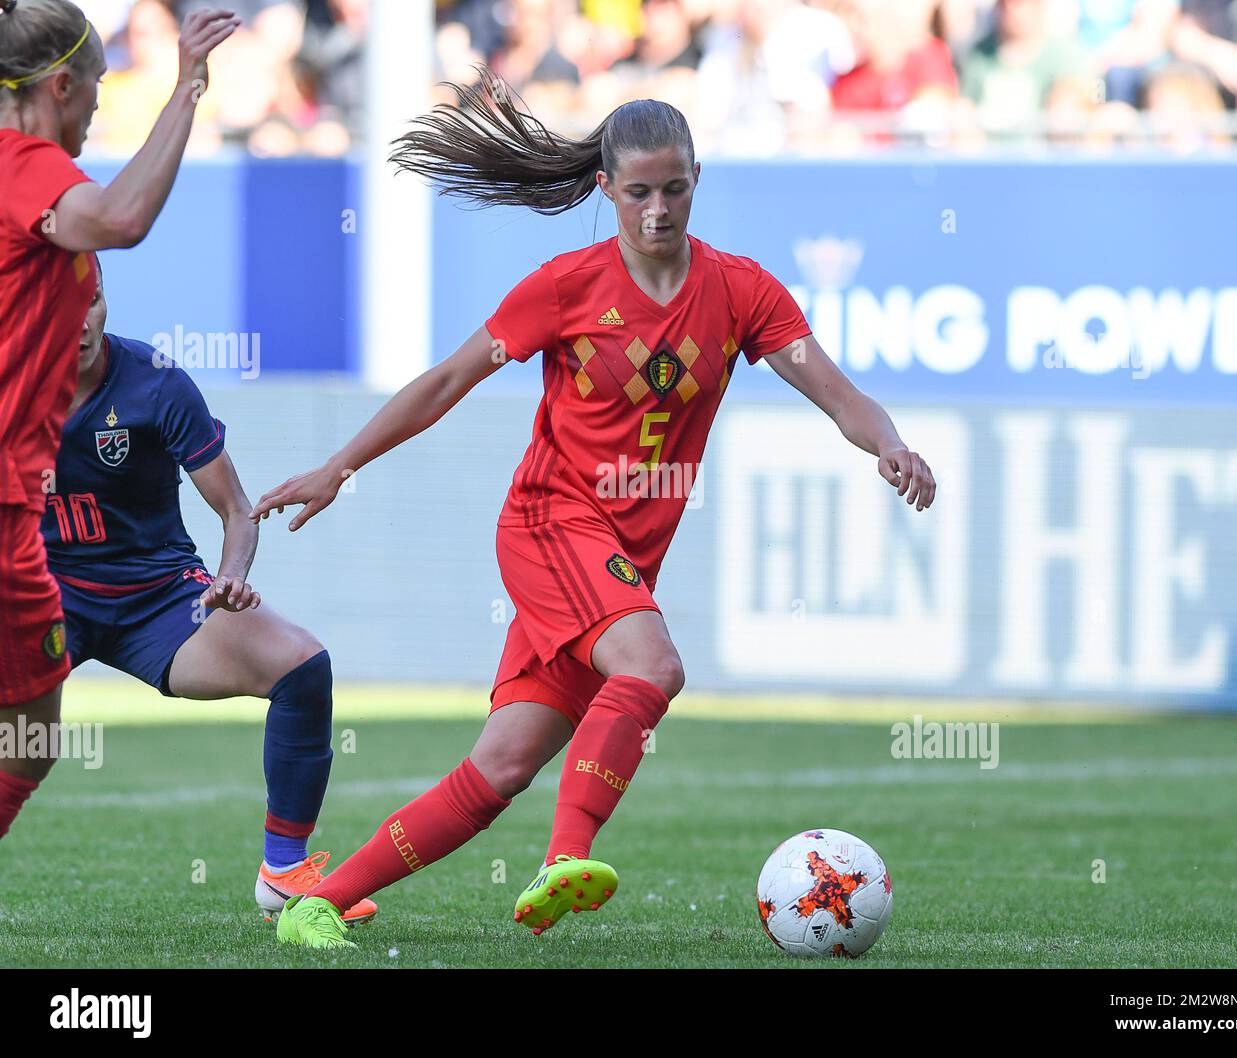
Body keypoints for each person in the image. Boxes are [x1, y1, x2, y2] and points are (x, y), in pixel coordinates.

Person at [253, 71, 936, 950]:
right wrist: (339, 465)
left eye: (676, 188)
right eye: (640, 191)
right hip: (551, 524)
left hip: (619, 558)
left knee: (501, 766)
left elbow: (836, 391)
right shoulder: (567, 285)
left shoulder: (741, 290)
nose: (659, 209)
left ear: (698, 179)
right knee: (651, 668)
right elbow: (446, 382)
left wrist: (886, 441)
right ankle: (564, 858)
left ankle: (319, 901)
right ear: (606, 189)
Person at [40, 262, 376, 925]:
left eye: (92, 299)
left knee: (303, 667)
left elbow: (236, 513)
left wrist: (232, 575)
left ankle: (283, 870)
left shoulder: (156, 382)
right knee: (22, 746)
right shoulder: (10, 386)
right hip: (47, 597)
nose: (79, 319)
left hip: (160, 602)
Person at [0, 0, 237, 839]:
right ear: (59, 85)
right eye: (95, 98)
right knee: (26, 739)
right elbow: (124, 219)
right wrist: (188, 90)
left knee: (27, 740)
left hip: (18, 512)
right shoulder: (21, 162)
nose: (95, 116)